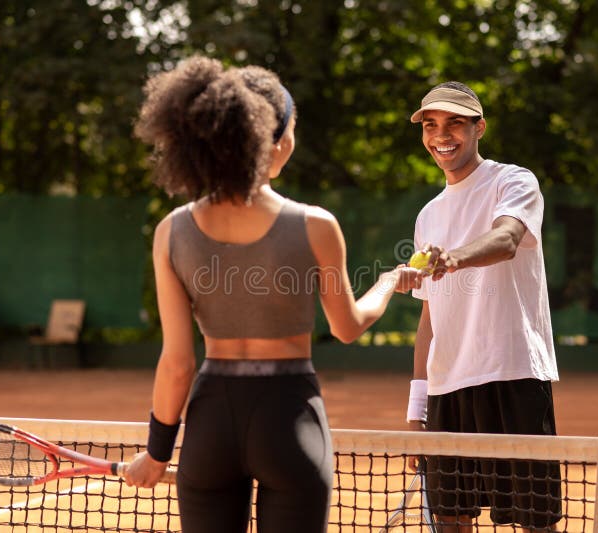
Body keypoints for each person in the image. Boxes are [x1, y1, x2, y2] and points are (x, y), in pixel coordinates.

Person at [122, 56, 422, 533]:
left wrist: (157, 454)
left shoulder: (171, 231)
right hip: (290, 417)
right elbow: (346, 327)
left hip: (211, 424)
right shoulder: (317, 226)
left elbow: (177, 363)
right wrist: (387, 281)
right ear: (277, 142)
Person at [405, 81, 562, 532]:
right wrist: (417, 410)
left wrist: (451, 259)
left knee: (535, 521)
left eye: (455, 122)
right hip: (447, 390)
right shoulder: (427, 215)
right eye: (431, 125)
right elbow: (429, 321)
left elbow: (507, 239)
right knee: (451, 521)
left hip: (513, 373)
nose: (441, 135)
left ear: (480, 128)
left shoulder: (513, 181)